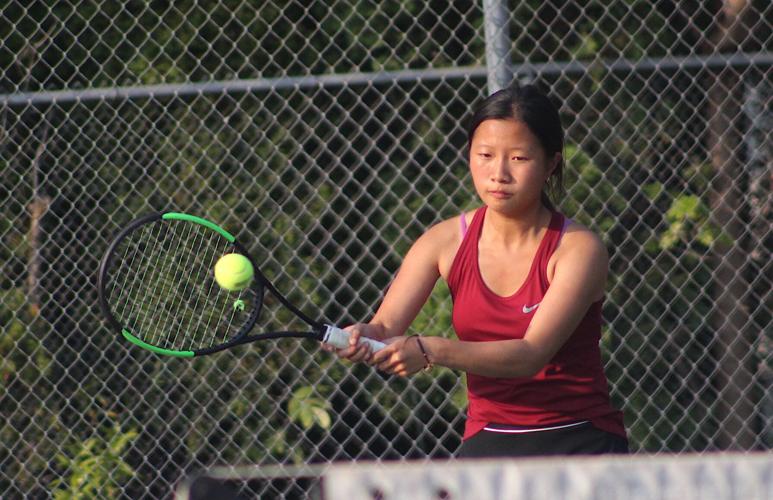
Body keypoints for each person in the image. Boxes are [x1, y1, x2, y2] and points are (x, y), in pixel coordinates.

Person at [326, 83, 628, 457]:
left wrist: (431, 350)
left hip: (579, 439)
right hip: (488, 438)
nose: (498, 173)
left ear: (551, 163)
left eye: (518, 158)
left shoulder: (579, 249)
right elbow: (385, 328)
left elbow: (530, 355)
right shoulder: (442, 241)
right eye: (485, 154)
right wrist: (361, 336)